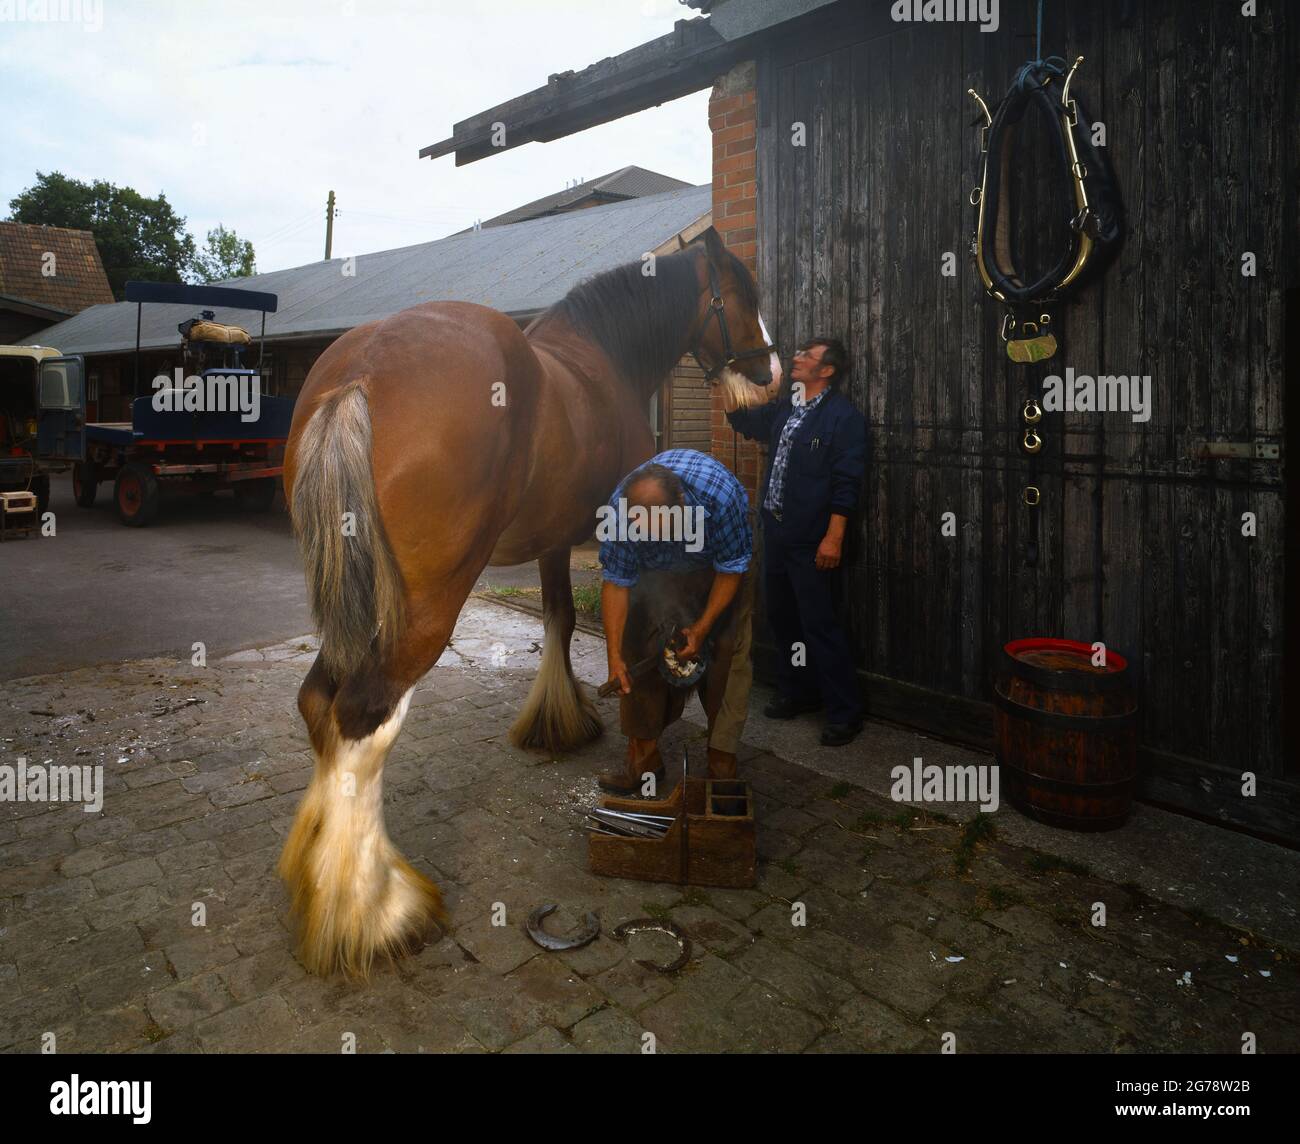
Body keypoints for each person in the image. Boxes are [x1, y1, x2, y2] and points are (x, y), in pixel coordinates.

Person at [726, 336, 868, 746]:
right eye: (800, 352)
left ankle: (845, 712)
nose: (797, 358)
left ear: (827, 371)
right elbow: (748, 424)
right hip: (776, 531)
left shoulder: (844, 418)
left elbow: (847, 482)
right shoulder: (788, 406)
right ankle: (797, 692)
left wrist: (834, 538)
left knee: (820, 624)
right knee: (784, 618)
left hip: (812, 540)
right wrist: (727, 386)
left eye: (808, 356)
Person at [597, 449, 755, 793]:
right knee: (637, 647)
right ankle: (644, 761)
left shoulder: (721, 498)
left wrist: (702, 627)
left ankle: (721, 761)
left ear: (681, 503)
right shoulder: (619, 514)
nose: (652, 533)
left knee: (727, 654)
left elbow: (731, 569)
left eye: (662, 525)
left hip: (717, 570)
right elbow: (616, 582)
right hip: (656, 573)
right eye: (644, 527)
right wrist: (614, 656)